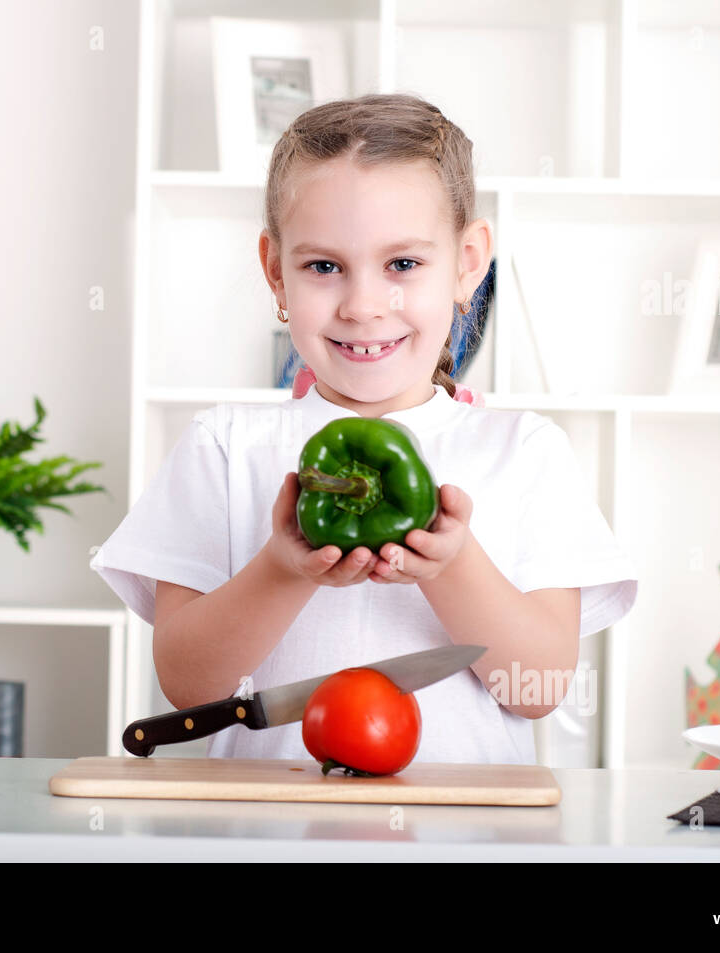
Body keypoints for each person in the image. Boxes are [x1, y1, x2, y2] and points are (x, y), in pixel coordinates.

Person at [90, 93, 638, 765]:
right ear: (275, 271)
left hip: (461, 836)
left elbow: (543, 684)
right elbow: (184, 680)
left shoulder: (523, 451)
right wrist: (281, 569)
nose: (364, 305)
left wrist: (455, 565)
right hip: (265, 833)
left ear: (468, 263)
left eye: (403, 264)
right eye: (324, 266)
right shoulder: (225, 447)